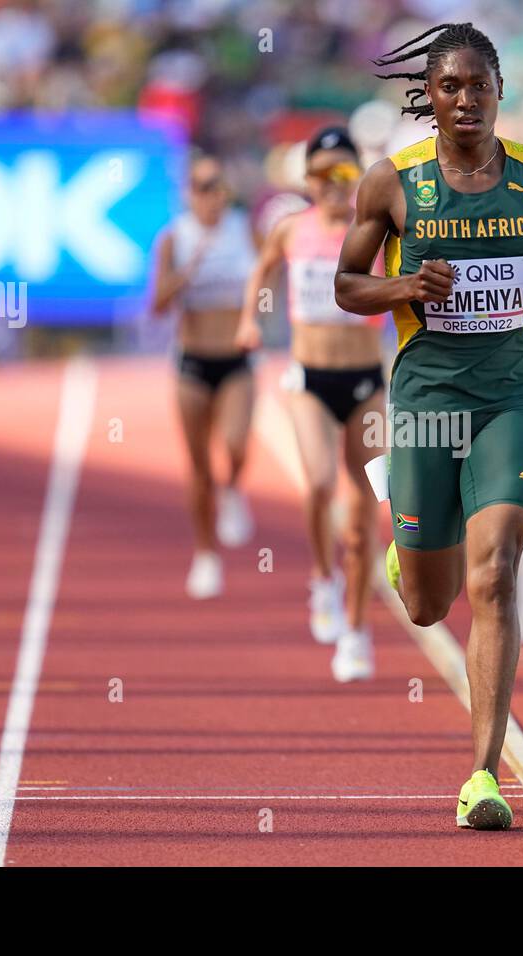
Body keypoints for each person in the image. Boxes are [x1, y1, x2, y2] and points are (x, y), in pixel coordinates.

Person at [334, 23, 523, 829]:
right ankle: (410, 550)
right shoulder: (392, 183)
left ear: (497, 92)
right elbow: (347, 285)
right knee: (427, 603)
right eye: (447, 87)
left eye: (476, 86)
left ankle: (483, 777)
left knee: (493, 576)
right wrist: (406, 284)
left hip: (513, 397)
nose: (463, 100)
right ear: (430, 96)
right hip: (425, 399)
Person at [235, 128, 386, 682]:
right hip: (310, 381)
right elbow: (261, 271)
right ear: (309, 181)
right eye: (322, 174)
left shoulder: (377, 234)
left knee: (369, 508)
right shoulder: (290, 230)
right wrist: (251, 318)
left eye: (344, 173)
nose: (332, 184)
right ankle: (324, 577)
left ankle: (356, 632)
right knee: (321, 484)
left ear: (358, 177)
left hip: (367, 383)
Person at [150, 152, 258, 600]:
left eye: (218, 186)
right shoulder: (175, 239)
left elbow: (266, 279)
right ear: (188, 194)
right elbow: (157, 305)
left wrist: (259, 314)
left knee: (234, 443)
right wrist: (185, 273)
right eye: (203, 187)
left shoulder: (243, 229)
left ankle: (232, 487)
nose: (212, 195)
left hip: (235, 358)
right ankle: (206, 554)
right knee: (197, 470)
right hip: (193, 363)